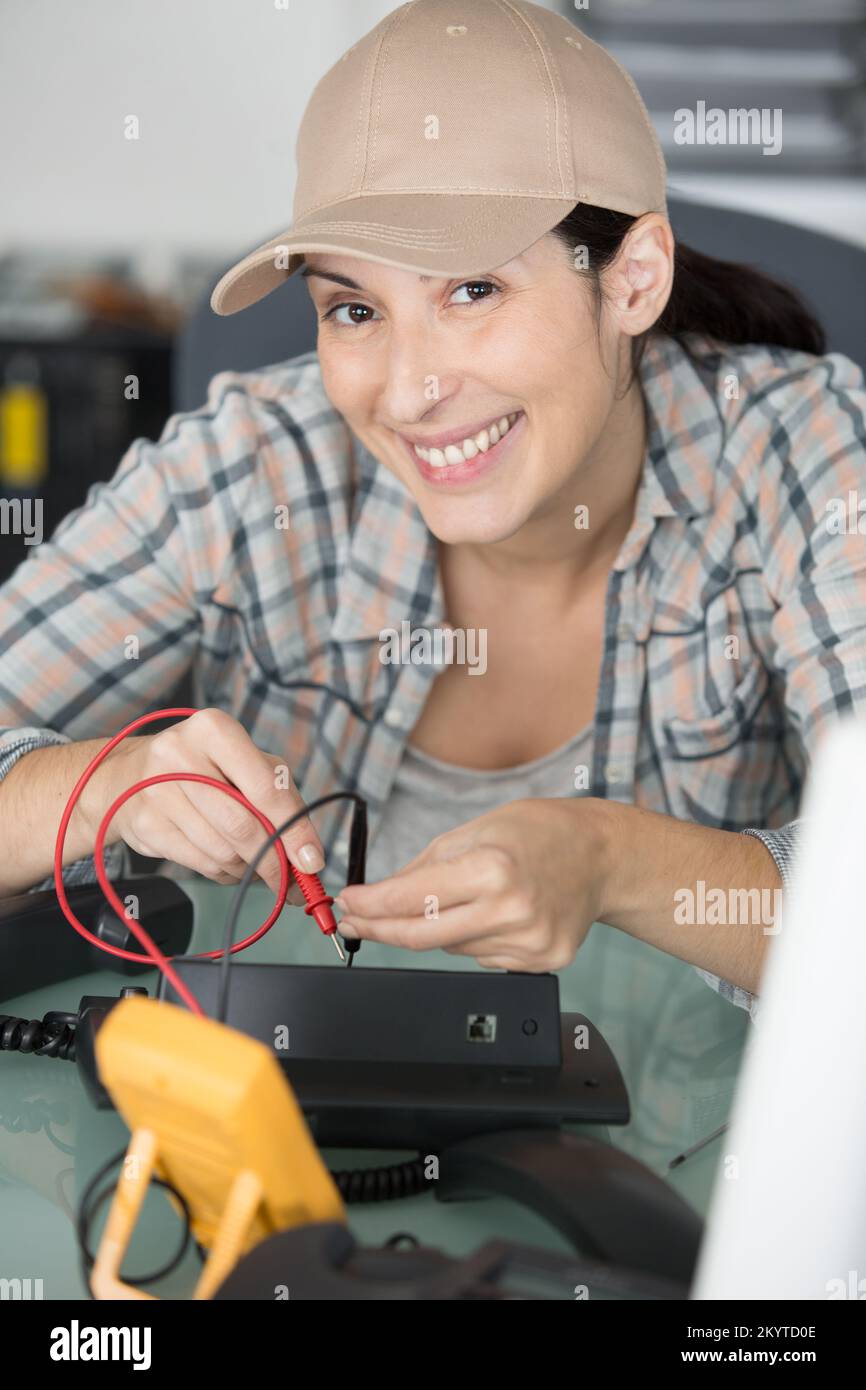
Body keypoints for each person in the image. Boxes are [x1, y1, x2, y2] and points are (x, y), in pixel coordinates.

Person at [1, 0, 864, 1023]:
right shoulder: (249, 462)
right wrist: (106, 786)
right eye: (354, 309)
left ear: (633, 279)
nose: (407, 392)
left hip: (695, 1165)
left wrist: (610, 859)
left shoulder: (801, 446)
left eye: (471, 291)